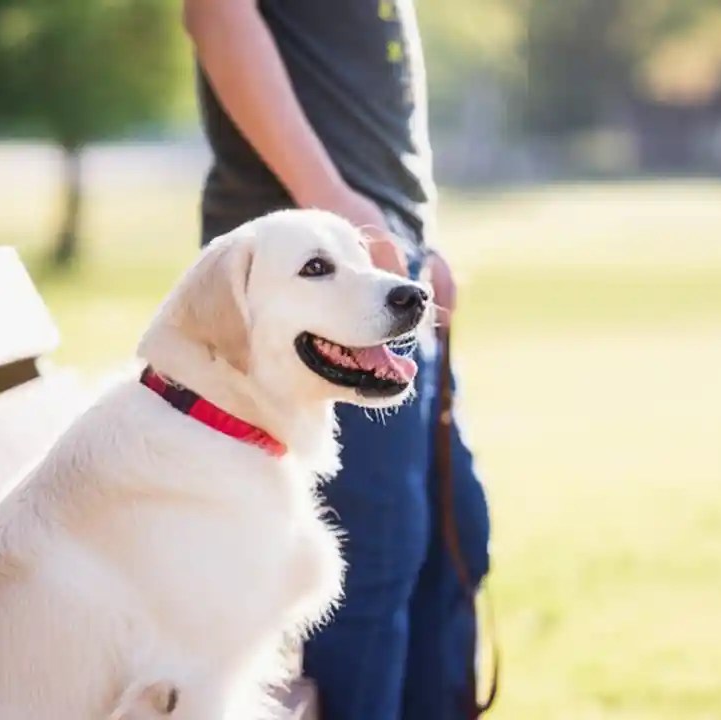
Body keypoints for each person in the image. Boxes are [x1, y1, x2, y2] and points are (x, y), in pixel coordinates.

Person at [182, 1, 491, 718]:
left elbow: (376, 111)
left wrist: (417, 239)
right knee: (370, 572)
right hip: (314, 282)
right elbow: (216, 14)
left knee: (453, 546)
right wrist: (338, 206)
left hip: (383, 263)